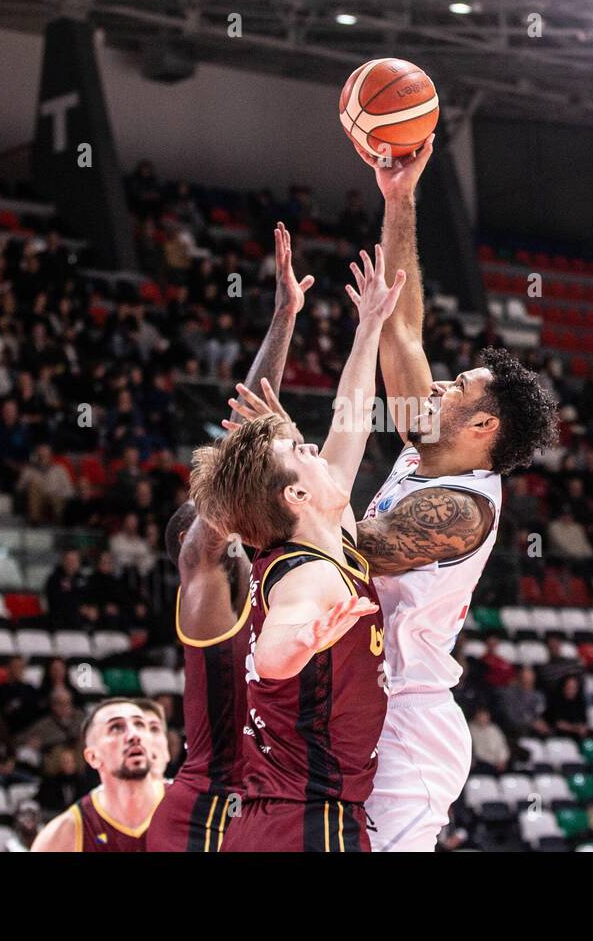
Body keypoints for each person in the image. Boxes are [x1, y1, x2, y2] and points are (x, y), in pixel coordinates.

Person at [328, 136, 558, 851]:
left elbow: (336, 553)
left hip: (407, 725)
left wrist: (275, 476)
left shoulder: (459, 508)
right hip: (362, 704)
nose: (438, 383)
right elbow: (402, 327)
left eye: (457, 386)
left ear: (481, 425)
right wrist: (399, 199)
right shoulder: (426, 449)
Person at [191, 242, 403, 852]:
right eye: (301, 454)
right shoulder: (310, 576)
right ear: (295, 497)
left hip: (284, 819)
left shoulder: (325, 539)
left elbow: (353, 421)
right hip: (308, 821)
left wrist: (369, 329)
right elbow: (278, 647)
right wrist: (297, 644)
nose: (316, 449)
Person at [147, 223, 307, 853]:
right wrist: (282, 322)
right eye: (215, 520)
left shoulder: (279, 581)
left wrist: (286, 312)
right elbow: (242, 438)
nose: (230, 526)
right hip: (207, 811)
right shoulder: (204, 586)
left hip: (265, 809)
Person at [30, 698, 166, 852]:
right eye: (116, 728)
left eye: (139, 724)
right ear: (92, 757)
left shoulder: (191, 806)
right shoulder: (65, 834)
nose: (134, 735)